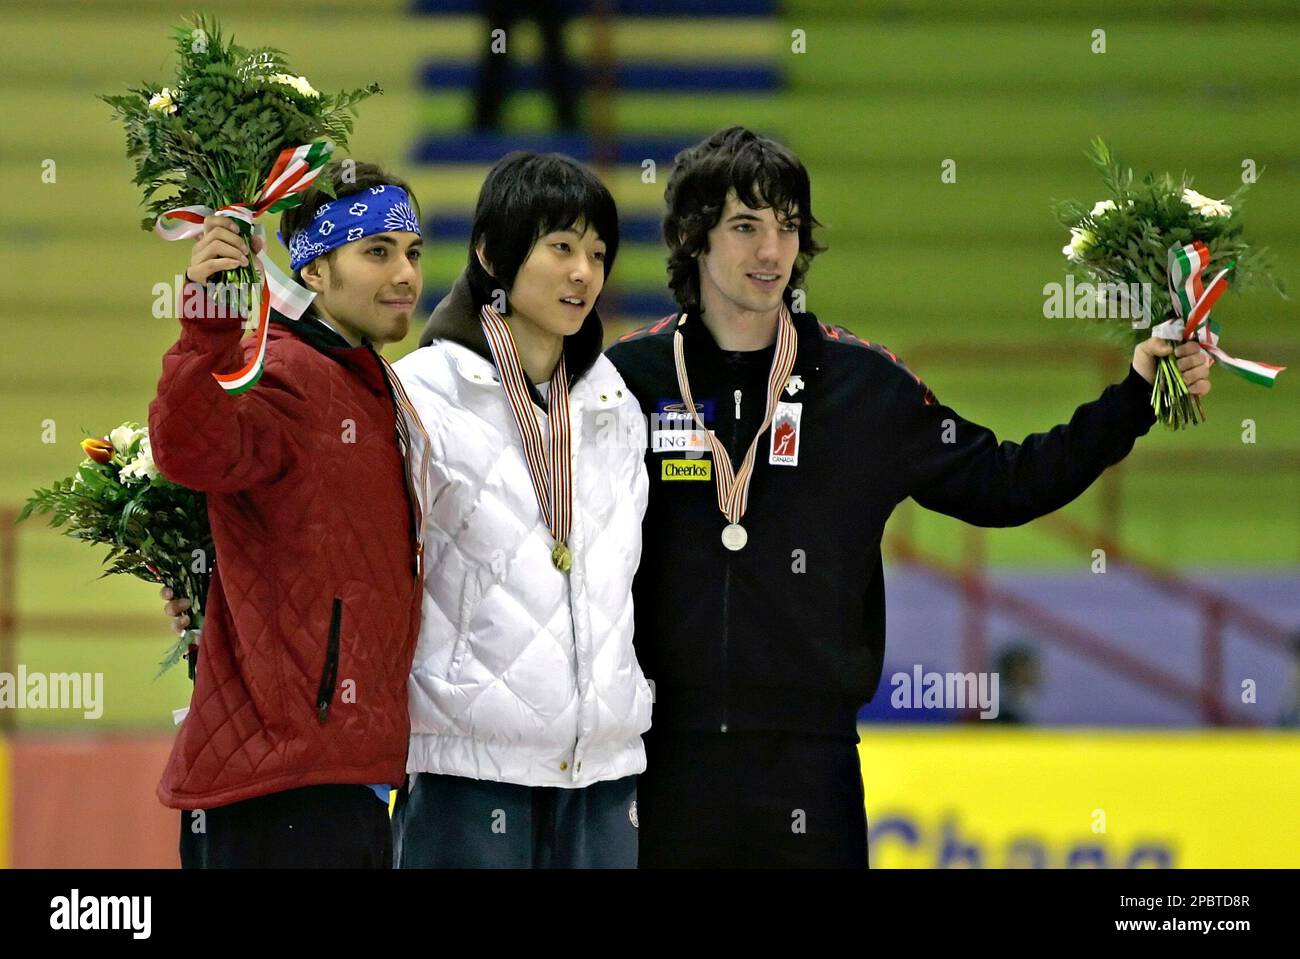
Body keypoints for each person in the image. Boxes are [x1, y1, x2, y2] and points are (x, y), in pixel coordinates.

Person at [603, 126, 1214, 868]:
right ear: (695, 238)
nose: (771, 252)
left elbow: (1007, 482)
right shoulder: (625, 381)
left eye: (788, 227)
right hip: (661, 764)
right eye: (745, 227)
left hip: (812, 768)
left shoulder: (865, 387)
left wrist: (1137, 394)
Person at [154, 159, 427, 867]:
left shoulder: (368, 384)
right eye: (377, 252)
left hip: (335, 776)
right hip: (283, 791)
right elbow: (189, 446)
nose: (405, 274)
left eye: (412, 252)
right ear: (312, 270)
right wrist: (208, 310)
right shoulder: (283, 370)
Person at [394, 151, 650, 867]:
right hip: (468, 772)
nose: (583, 273)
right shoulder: (421, 396)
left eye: (597, 253)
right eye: (560, 247)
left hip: (600, 774)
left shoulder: (611, 404)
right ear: (490, 251)